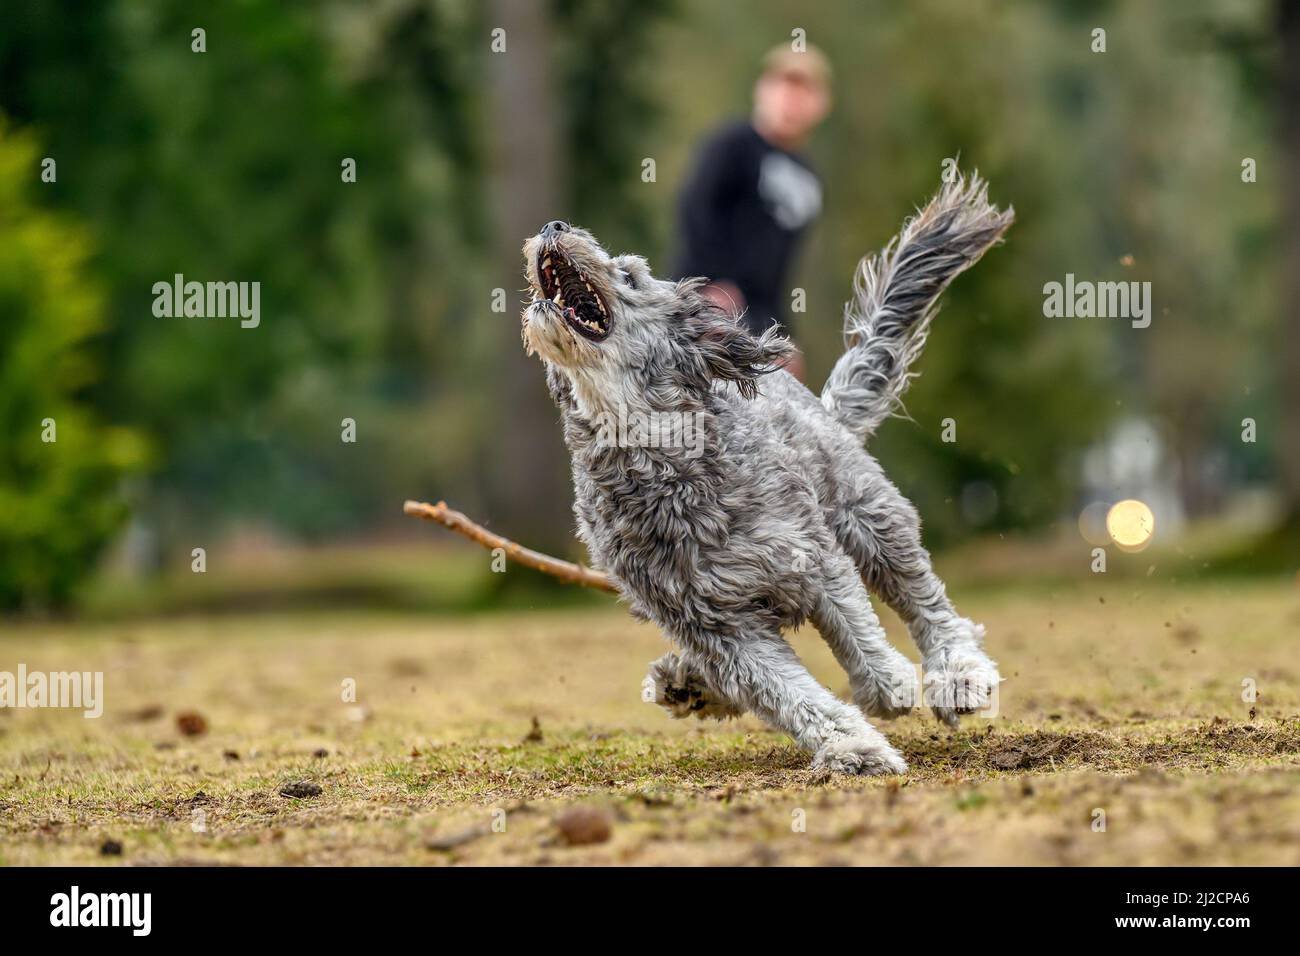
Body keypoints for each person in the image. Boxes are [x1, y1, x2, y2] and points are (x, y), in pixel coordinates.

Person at [675, 43, 832, 381]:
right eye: (784, 86)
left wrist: (785, 332)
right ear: (763, 89)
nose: (791, 99)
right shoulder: (732, 144)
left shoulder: (807, 176)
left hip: (760, 312)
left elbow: (780, 267)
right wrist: (710, 284)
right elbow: (695, 210)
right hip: (705, 302)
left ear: (821, 105)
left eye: (804, 90)